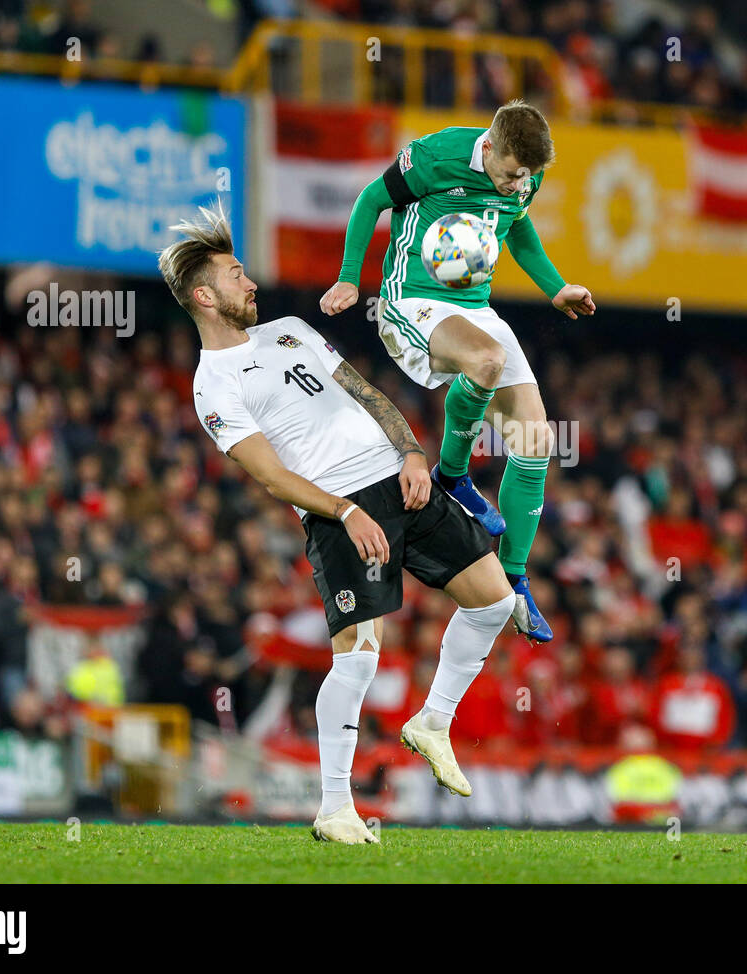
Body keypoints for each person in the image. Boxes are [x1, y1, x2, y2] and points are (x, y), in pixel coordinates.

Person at [159, 204, 517, 845]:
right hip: (341, 510)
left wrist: (411, 450)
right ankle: (335, 808)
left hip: (403, 482)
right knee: (359, 657)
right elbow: (270, 476)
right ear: (205, 295)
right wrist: (345, 511)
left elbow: (366, 391)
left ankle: (433, 722)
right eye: (237, 275)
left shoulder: (290, 329)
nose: (251, 284)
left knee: (496, 601)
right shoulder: (212, 384)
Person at [320, 99, 597, 643]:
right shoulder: (436, 154)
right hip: (411, 301)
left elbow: (517, 230)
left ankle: (514, 578)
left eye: (528, 177)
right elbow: (371, 199)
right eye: (512, 172)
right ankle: (452, 473)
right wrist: (350, 276)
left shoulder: (524, 176)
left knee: (535, 439)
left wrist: (556, 287)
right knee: (487, 360)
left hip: (474, 309)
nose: (518, 183)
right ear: (489, 147)